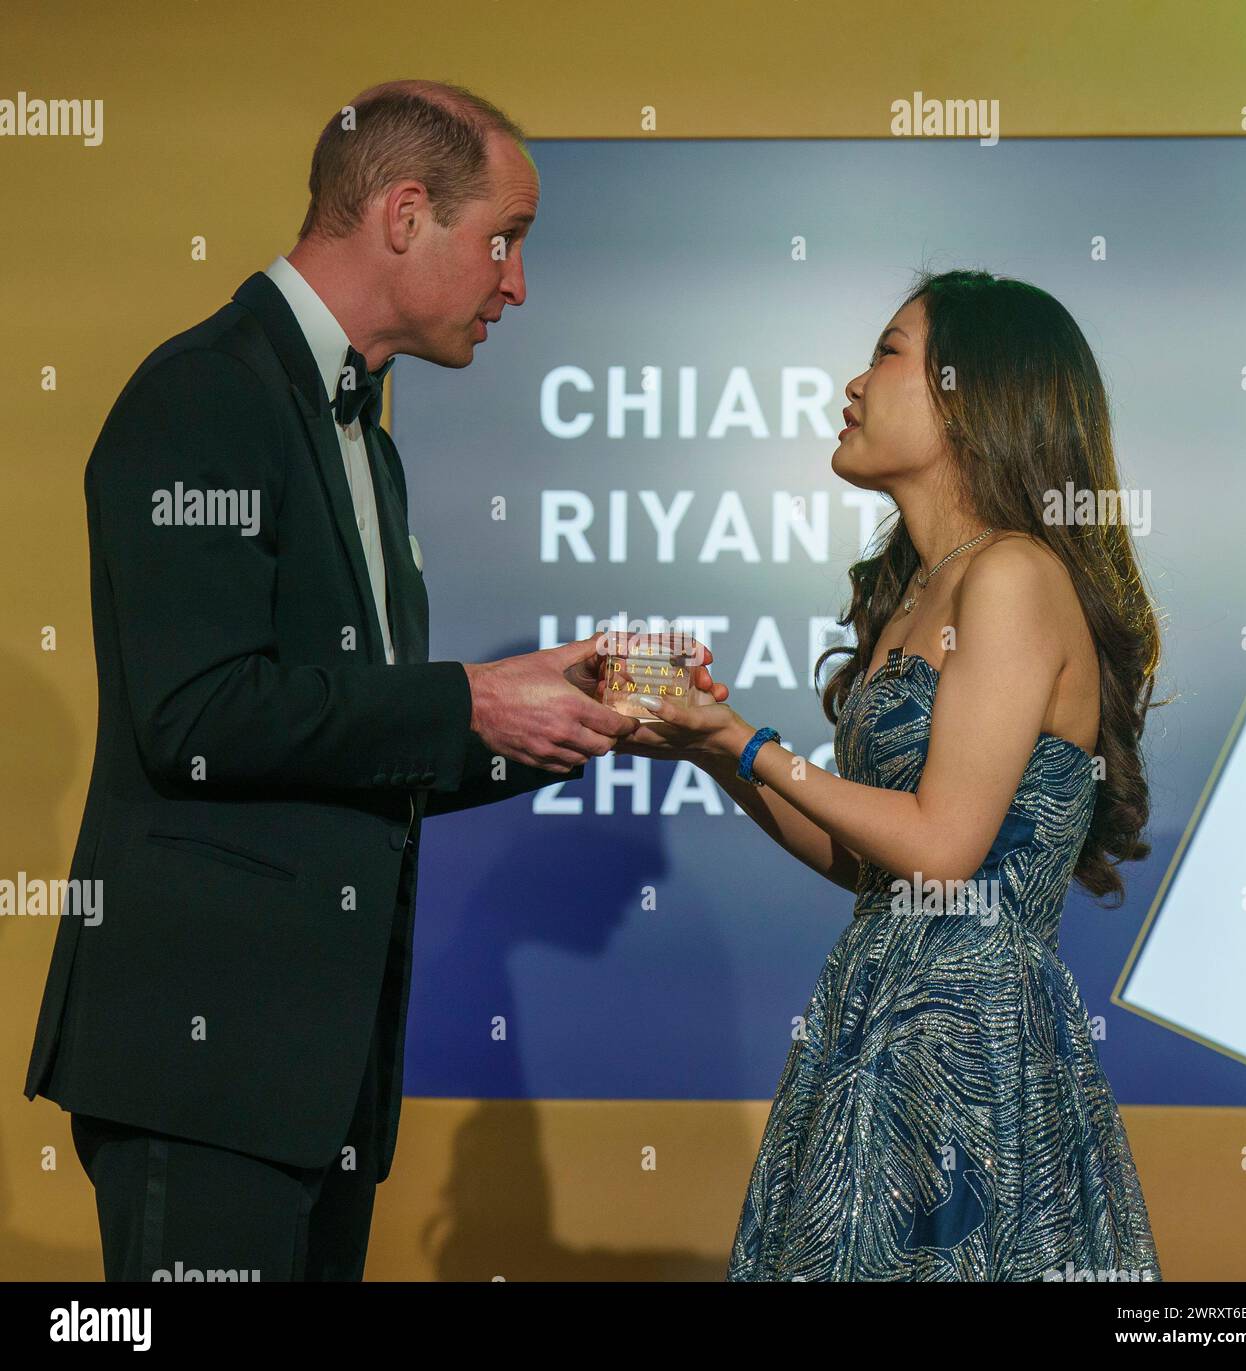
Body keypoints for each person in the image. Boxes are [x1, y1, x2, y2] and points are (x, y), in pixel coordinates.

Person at [22, 77, 723, 1282]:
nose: (516, 284)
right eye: (503, 241)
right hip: (210, 1071)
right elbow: (194, 714)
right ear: (405, 213)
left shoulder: (372, 448)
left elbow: (354, 739)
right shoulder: (202, 394)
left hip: (319, 1087)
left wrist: (557, 707)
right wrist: (466, 696)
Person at [614, 268, 1164, 1281]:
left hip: (968, 1043)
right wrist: (713, 754)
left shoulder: (1012, 575)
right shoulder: (917, 589)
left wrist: (747, 742)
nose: (852, 384)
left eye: (885, 352)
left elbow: (944, 848)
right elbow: (873, 861)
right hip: (872, 1021)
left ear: (967, 393)